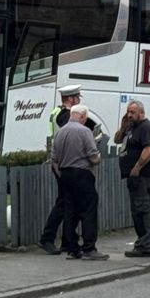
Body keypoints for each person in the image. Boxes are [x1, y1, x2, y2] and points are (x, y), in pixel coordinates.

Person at [51, 105, 108, 260]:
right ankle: (89, 248)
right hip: (82, 174)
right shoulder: (85, 132)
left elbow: (54, 160)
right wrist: (99, 157)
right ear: (83, 117)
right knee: (88, 210)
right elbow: (93, 156)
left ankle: (72, 249)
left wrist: (61, 174)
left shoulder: (60, 133)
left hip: (65, 174)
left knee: (70, 212)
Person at [39, 84, 83, 255]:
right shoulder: (65, 115)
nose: (78, 101)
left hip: (60, 162)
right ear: (71, 99)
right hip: (65, 164)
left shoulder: (56, 112)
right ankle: (47, 238)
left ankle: (68, 240)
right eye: (77, 98)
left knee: (68, 202)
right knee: (64, 203)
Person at [115, 99, 150, 257]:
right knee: (141, 210)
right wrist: (123, 125)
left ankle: (144, 246)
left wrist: (137, 167)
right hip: (133, 176)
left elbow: (149, 150)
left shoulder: (146, 128)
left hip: (142, 175)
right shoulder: (132, 126)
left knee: (141, 211)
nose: (129, 115)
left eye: (132, 112)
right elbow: (117, 140)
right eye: (128, 111)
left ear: (141, 112)